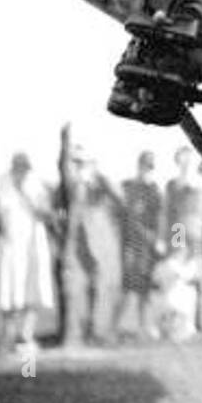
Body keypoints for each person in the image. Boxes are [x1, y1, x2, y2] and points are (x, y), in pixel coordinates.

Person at [57, 129, 124, 346]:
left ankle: (100, 331)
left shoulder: (101, 182)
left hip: (105, 236)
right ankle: (75, 334)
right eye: (76, 162)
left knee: (105, 285)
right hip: (78, 238)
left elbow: (121, 201)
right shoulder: (69, 184)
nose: (79, 166)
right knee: (75, 286)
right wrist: (65, 143)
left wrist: (172, 241)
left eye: (82, 162)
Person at [0, 152, 55, 352]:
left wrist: (28, 196)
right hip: (9, 245)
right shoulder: (1, 184)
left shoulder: (37, 185)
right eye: (19, 167)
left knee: (33, 288)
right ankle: (7, 336)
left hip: (33, 244)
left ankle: (26, 336)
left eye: (25, 168)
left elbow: (46, 213)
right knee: (8, 288)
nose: (22, 171)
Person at [165, 148, 202, 333]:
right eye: (182, 160)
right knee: (179, 272)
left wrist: (199, 227)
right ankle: (180, 323)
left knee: (199, 274)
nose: (186, 163)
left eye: (189, 159)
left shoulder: (201, 183)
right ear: (177, 162)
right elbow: (168, 211)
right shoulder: (173, 184)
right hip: (178, 229)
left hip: (196, 230)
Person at [119, 151, 164, 339]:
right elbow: (127, 216)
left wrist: (171, 242)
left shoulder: (155, 189)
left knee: (146, 288)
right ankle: (117, 326)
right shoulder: (128, 187)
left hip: (150, 246)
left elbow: (164, 217)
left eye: (150, 167)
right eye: (145, 166)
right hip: (131, 244)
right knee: (128, 286)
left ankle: (145, 327)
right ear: (139, 166)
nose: (147, 170)